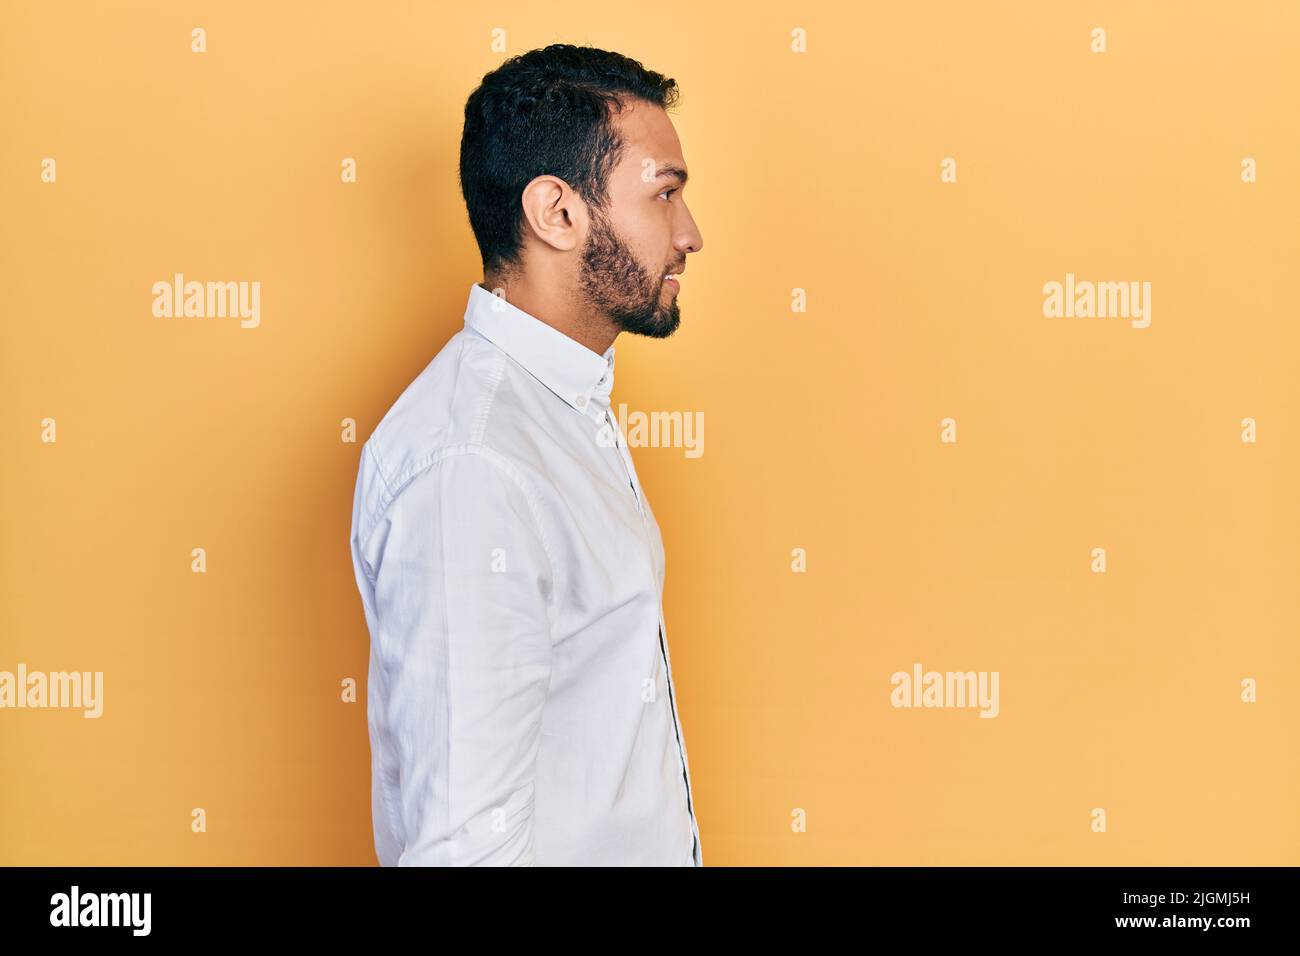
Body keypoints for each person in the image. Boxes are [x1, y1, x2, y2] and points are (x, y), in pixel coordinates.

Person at [349, 44, 705, 865]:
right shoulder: (472, 464)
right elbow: (464, 849)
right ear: (557, 213)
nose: (689, 234)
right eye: (665, 193)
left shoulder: (561, 411)